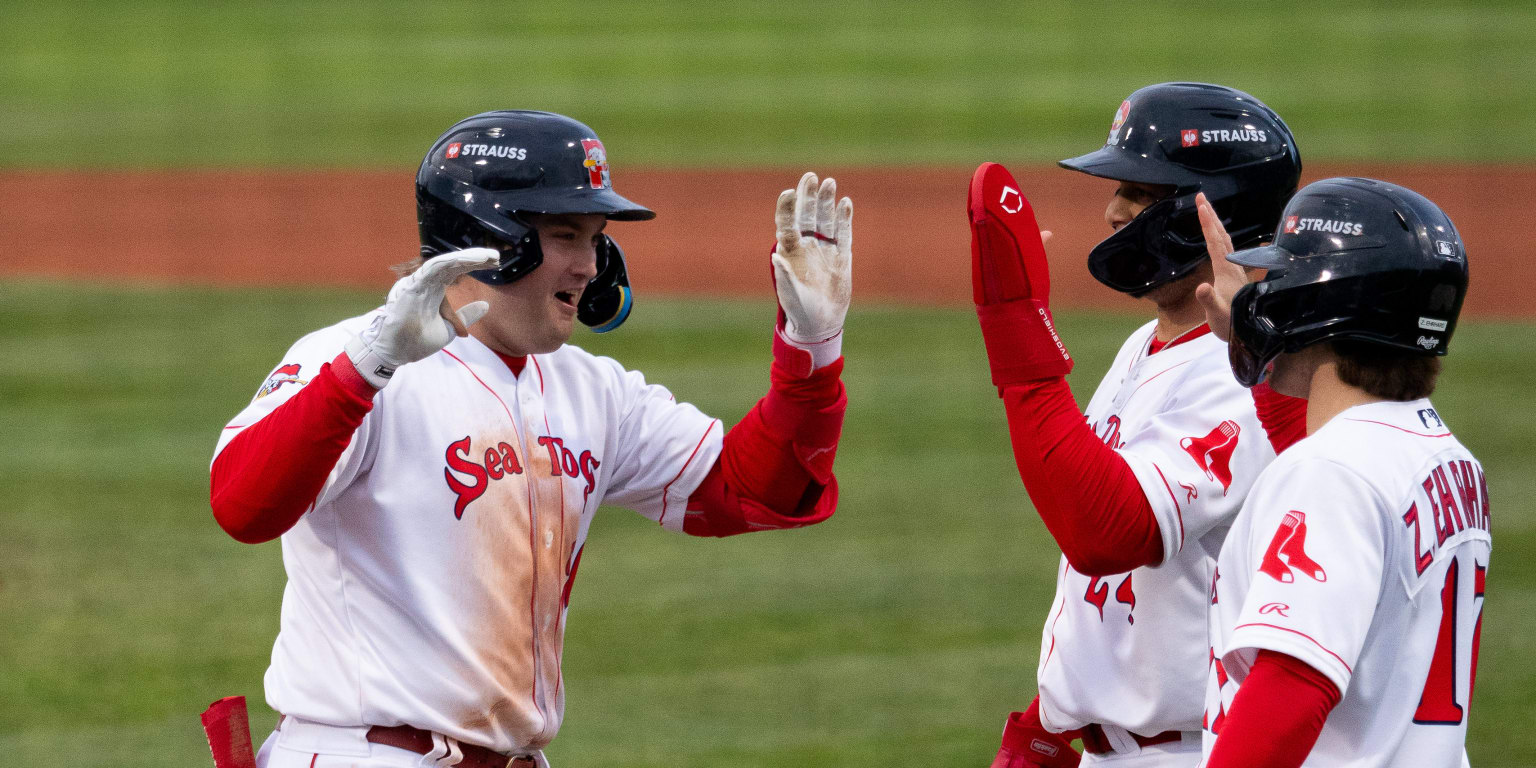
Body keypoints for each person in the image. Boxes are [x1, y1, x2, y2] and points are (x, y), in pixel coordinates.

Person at [205, 110, 852, 768]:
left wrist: (812, 351)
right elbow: (243, 505)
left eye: (596, 237)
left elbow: (748, 490)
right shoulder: (355, 362)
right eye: (566, 235)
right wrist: (361, 371)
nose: (588, 265)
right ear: (490, 238)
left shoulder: (591, 391)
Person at [969, 83, 1305, 767]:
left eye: (1141, 192)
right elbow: (1128, 591)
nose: (1113, 209)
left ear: (1218, 210)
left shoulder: (1249, 374)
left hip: (1198, 750)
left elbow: (1106, 531)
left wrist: (1017, 325)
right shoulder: (1148, 344)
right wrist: (1051, 720)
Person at [1197, 177, 1483, 767]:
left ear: (1322, 304)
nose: (1265, 295)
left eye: (1280, 280)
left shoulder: (1332, 471)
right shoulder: (1449, 461)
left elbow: (1293, 688)